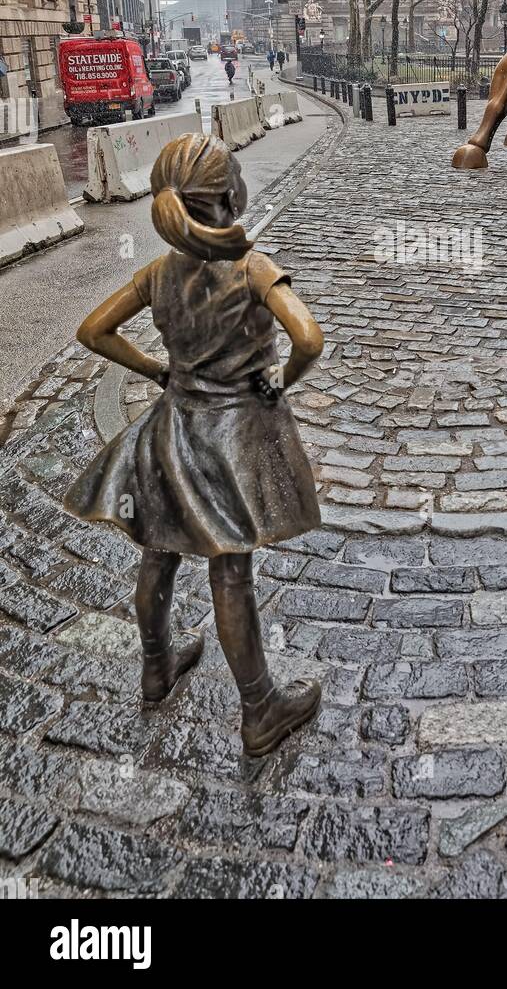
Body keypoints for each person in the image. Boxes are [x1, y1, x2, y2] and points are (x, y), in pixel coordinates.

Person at [63, 133, 325, 757]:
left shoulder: (158, 273)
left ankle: (157, 667)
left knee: (158, 551)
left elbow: (93, 330)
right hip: (233, 436)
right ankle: (260, 708)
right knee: (230, 572)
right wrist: (276, 381)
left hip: (172, 429)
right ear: (230, 197)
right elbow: (308, 339)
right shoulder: (251, 266)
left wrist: (157, 371)